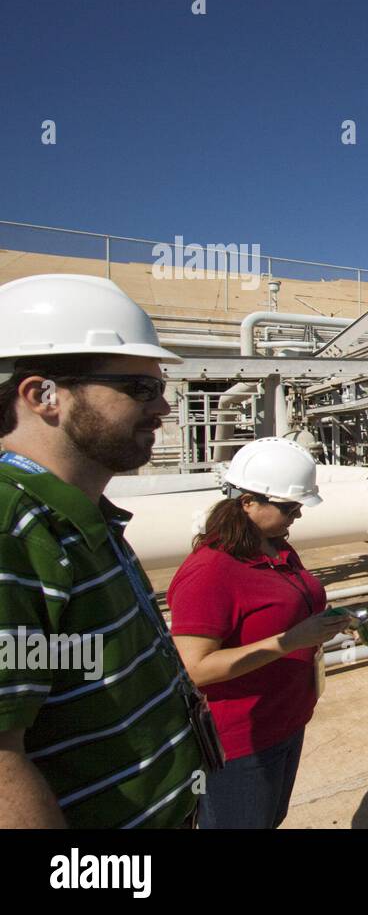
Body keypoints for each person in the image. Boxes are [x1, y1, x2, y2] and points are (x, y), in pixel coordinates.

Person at [0, 273, 206, 827]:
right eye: (140, 388)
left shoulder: (75, 514)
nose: (164, 407)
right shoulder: (11, 530)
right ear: (43, 395)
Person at [168, 436, 348, 828]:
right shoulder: (211, 571)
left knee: (268, 819)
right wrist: (292, 640)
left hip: (287, 720)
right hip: (241, 743)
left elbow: (289, 613)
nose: (297, 515)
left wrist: (326, 626)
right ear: (248, 501)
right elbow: (194, 669)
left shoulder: (276, 548)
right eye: (289, 507)